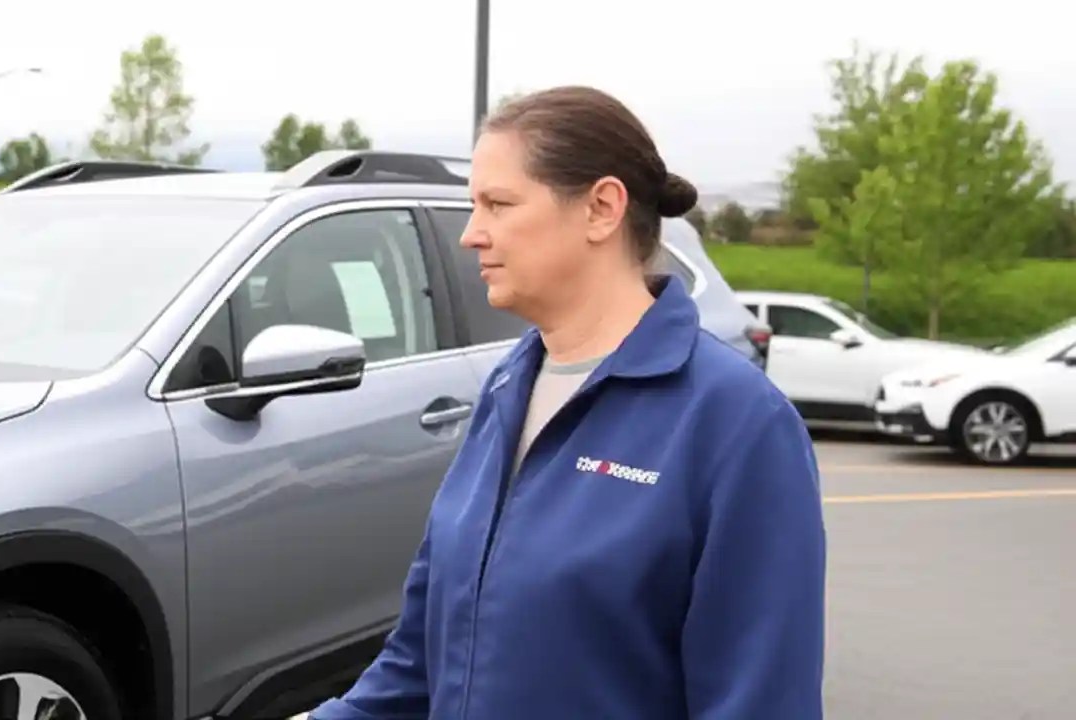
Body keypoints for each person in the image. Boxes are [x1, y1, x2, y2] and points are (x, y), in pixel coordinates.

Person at [310, 85, 826, 720]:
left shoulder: (737, 423)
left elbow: (758, 701)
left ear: (602, 209)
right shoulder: (506, 387)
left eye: (498, 204)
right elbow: (421, 660)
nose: (471, 234)